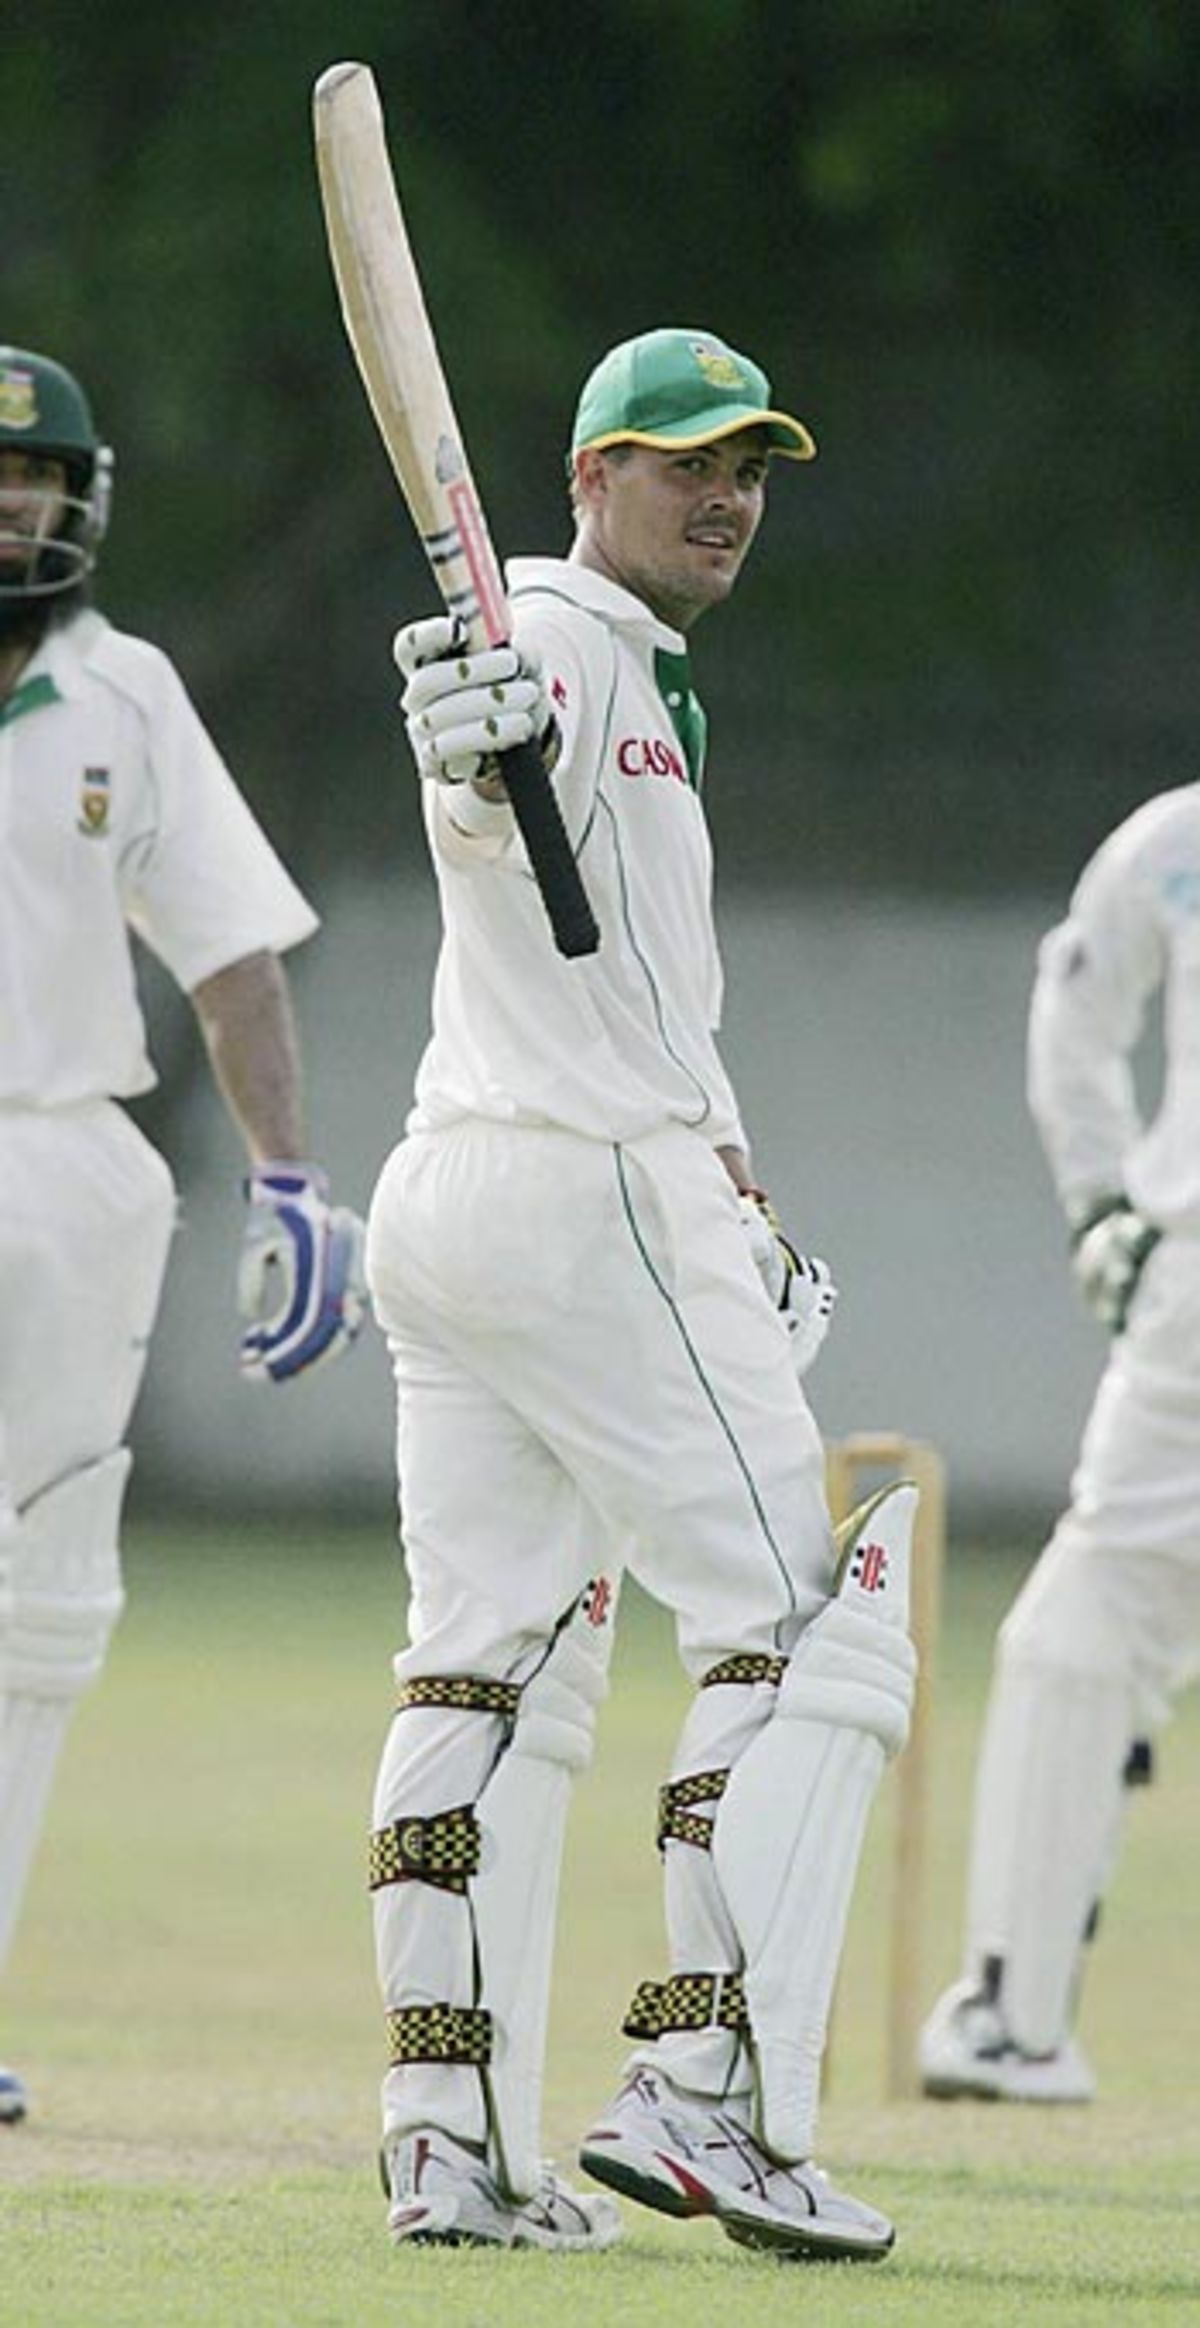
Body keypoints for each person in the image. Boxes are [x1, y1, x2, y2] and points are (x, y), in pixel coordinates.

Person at [364, 325, 919, 2259]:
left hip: (464, 1192)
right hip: (587, 1191)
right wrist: (462, 728)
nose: (730, 495)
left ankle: (456, 2137)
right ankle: (710, 2092)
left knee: (488, 1664)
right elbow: (483, 732)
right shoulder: (553, 630)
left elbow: (629, 961)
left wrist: (733, 1162)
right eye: (687, 461)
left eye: (753, 466)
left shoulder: (641, 683)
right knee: (810, 1630)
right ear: (590, 476)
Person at [0, 343, 366, 2125]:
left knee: (42, 1605)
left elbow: (227, 951)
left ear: (80, 496)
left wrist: (288, 1181)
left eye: (41, 479)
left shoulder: (123, 693)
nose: (16, 505)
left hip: (66, 1167)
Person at [919, 783, 1200, 2102]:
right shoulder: (1178, 843)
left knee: (1085, 1627)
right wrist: (1099, 1199)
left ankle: (1012, 2011)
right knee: (1085, 1630)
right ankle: (1015, 2013)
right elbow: (1078, 1008)